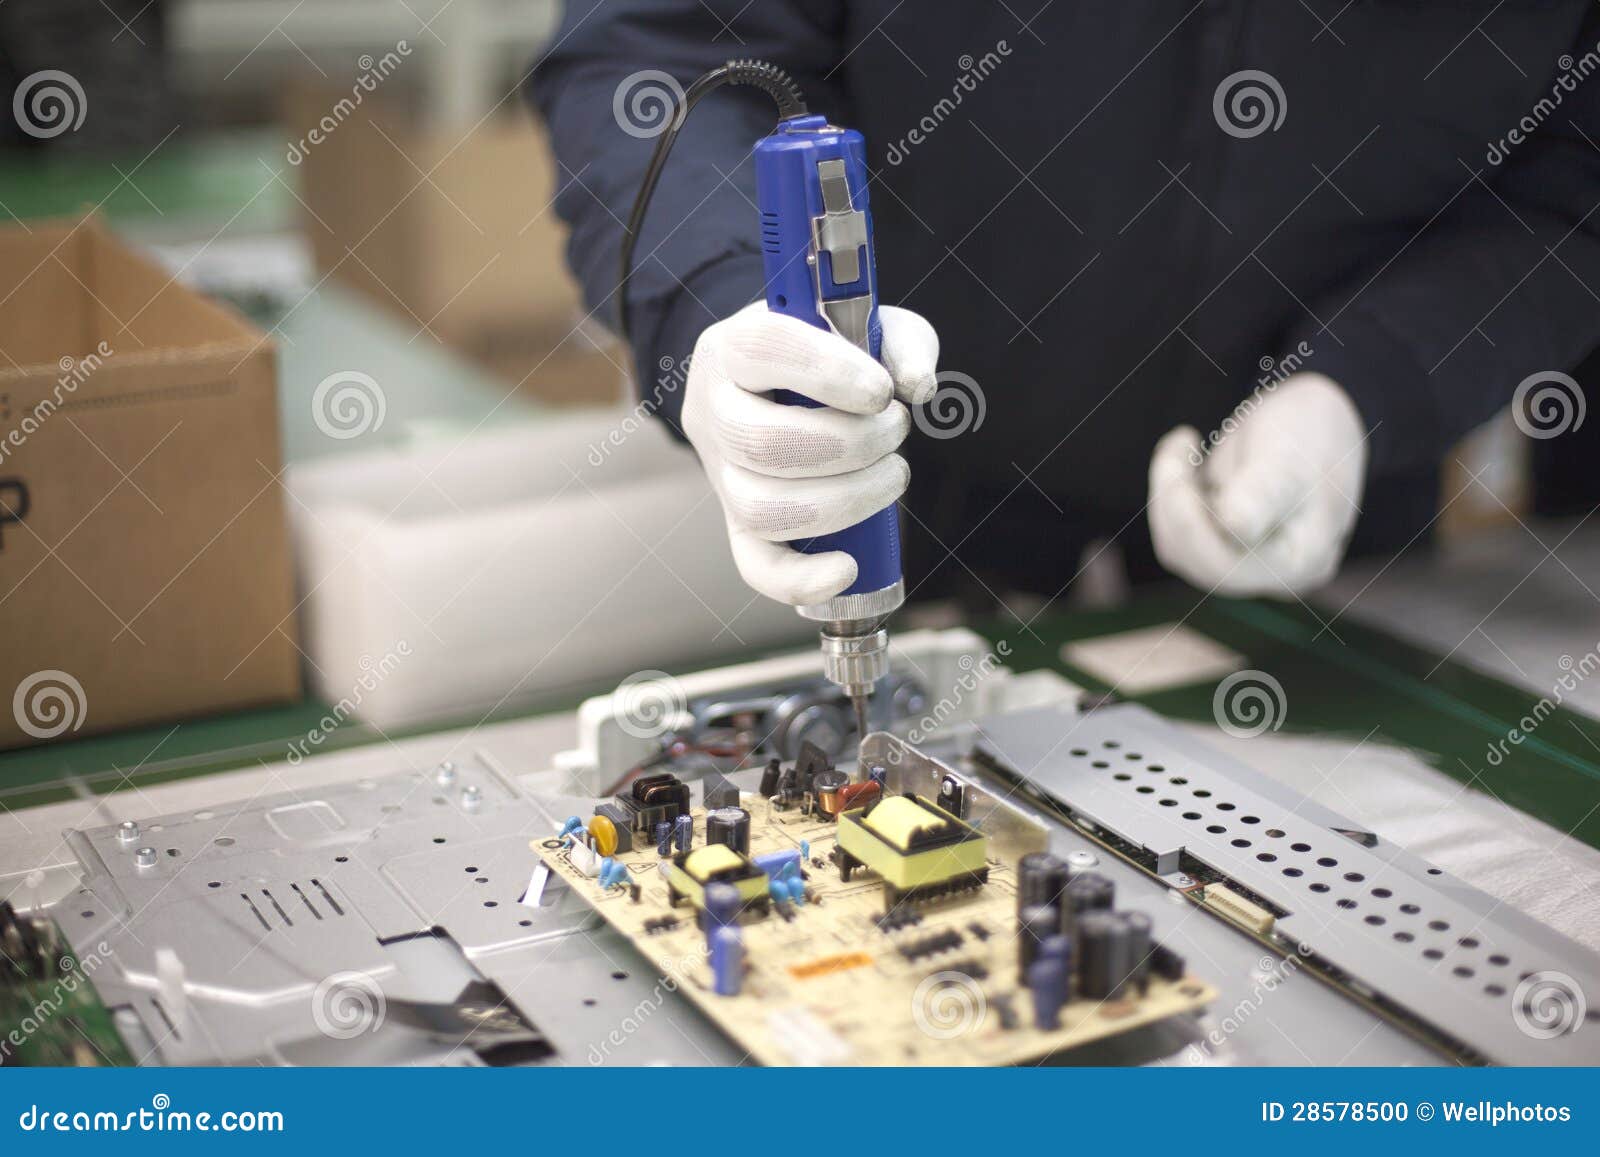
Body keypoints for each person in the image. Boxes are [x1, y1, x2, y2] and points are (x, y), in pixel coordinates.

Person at [530, 2, 1600, 612]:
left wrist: (1366, 384)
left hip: (1320, 522)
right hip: (911, 463)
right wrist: (720, 308)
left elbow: (1571, 186)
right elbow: (661, 49)